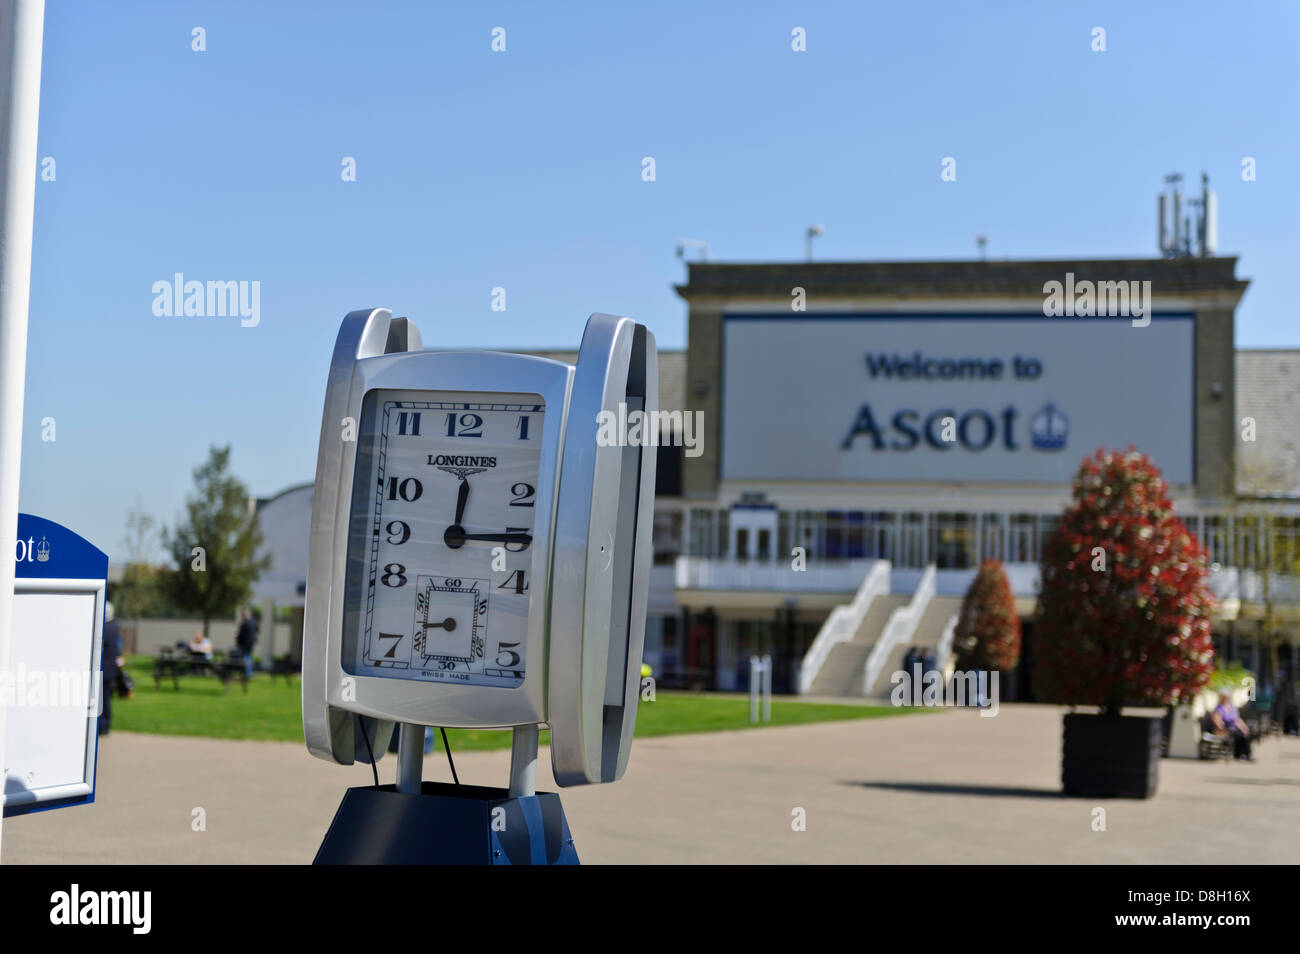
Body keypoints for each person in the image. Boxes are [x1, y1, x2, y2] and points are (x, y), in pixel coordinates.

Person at [100, 602, 124, 736]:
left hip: (105, 669)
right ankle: (104, 725)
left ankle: (103, 726)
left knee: (104, 699)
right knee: (106, 698)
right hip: (110, 669)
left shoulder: (106, 628)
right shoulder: (114, 626)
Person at [1211, 691, 1253, 761]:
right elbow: (1217, 720)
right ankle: (1239, 754)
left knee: (1245, 734)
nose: (1225, 699)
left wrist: (1244, 728)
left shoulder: (1232, 707)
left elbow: (1237, 719)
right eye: (1224, 698)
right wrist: (1223, 728)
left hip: (1234, 727)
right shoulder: (1219, 708)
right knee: (1237, 734)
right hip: (1226, 728)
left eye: (1226, 698)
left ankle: (1245, 754)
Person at [235, 607, 259, 679]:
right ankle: (248, 672)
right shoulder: (254, 622)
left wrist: (237, 639)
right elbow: (257, 630)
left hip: (245, 643)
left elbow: (241, 634)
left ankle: (248, 673)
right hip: (251, 642)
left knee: (246, 657)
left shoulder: (245, 623)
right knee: (249, 657)